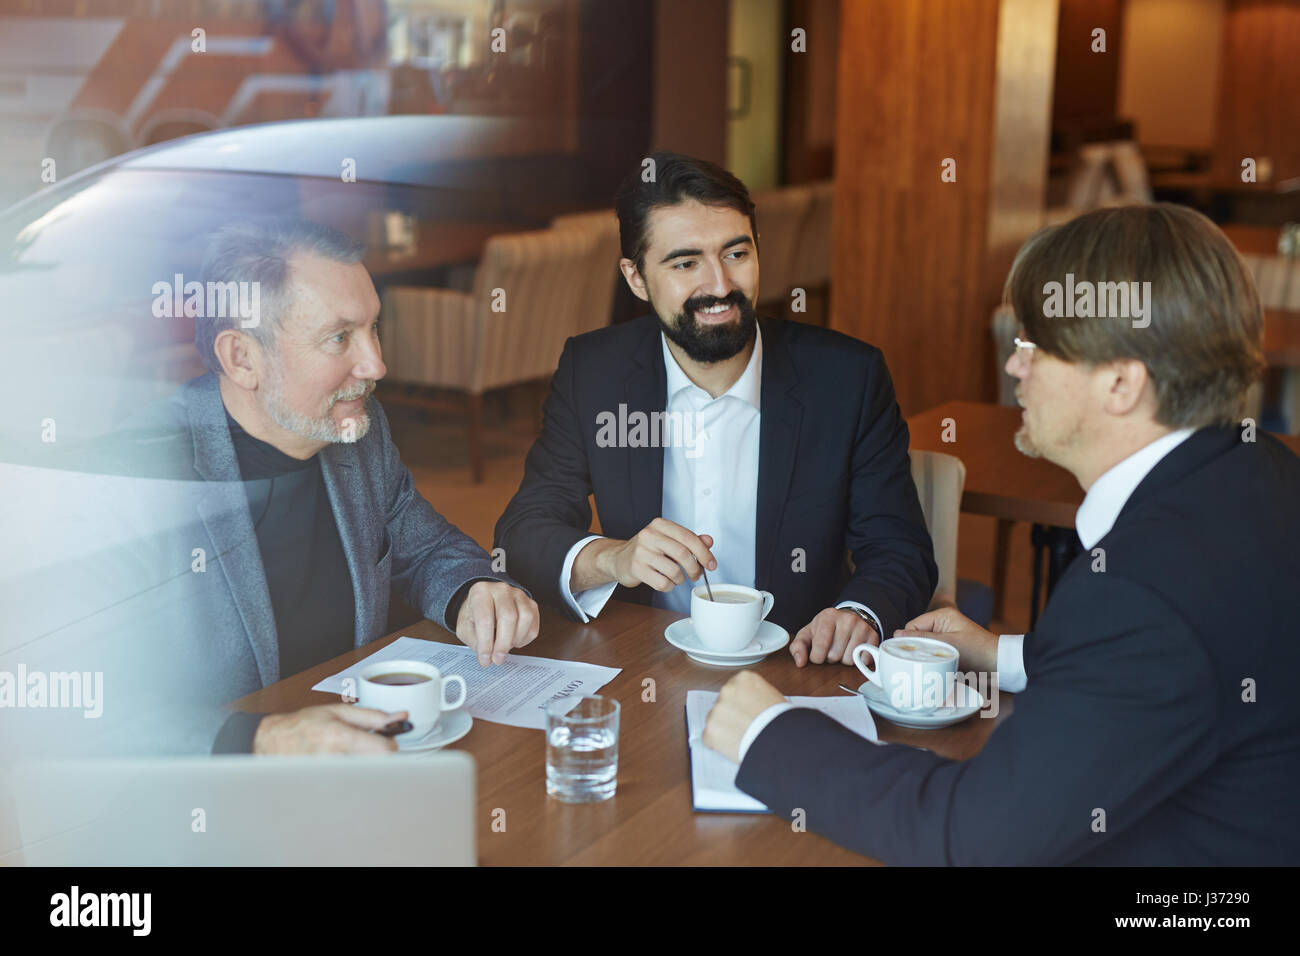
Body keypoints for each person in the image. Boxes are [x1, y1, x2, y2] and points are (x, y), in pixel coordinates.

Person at [703, 202, 1300, 864]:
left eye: (1035, 346)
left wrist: (770, 733)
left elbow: (976, 838)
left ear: (1123, 383)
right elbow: (1167, 675)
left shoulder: (1144, 592)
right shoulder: (1259, 469)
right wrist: (1003, 656)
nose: (1015, 367)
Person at [15, 218, 539, 757]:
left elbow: (427, 549)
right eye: (339, 337)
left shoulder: (356, 430)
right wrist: (262, 740)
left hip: (356, 774)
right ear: (242, 358)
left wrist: (473, 593)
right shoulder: (128, 481)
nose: (376, 364)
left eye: (373, 328)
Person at [494, 152, 936, 664]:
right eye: (685, 263)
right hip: (645, 655)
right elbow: (523, 531)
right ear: (636, 278)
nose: (720, 286)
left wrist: (858, 613)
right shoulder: (593, 372)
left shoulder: (847, 378)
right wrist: (612, 557)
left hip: (795, 663)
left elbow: (900, 549)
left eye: (735, 254)